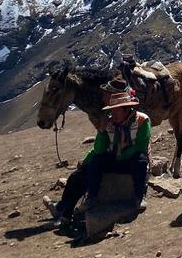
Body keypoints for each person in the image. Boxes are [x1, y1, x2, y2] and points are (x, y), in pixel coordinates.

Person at [43, 84, 152, 223]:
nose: (113, 115)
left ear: (126, 109)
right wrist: (101, 131)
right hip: (114, 159)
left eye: (116, 111)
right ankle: (74, 207)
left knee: (140, 160)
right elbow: (100, 149)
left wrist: (119, 154)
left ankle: (139, 196)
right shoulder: (110, 124)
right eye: (112, 111)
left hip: (131, 159)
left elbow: (140, 146)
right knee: (82, 172)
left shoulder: (142, 120)